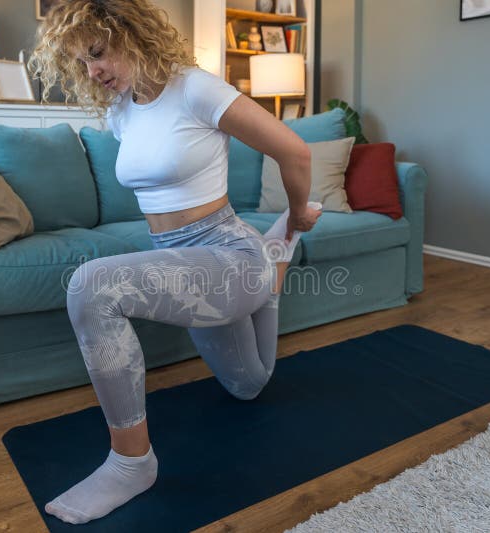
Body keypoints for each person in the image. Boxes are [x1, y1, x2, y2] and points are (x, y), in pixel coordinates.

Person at [28, 0, 322, 525]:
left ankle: (130, 464)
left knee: (91, 286)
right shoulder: (122, 111)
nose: (92, 71)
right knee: (247, 385)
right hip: (185, 263)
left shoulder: (196, 88)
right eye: (80, 63)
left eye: (97, 53)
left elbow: (295, 152)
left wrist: (299, 215)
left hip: (227, 252)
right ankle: (274, 262)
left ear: (131, 34)